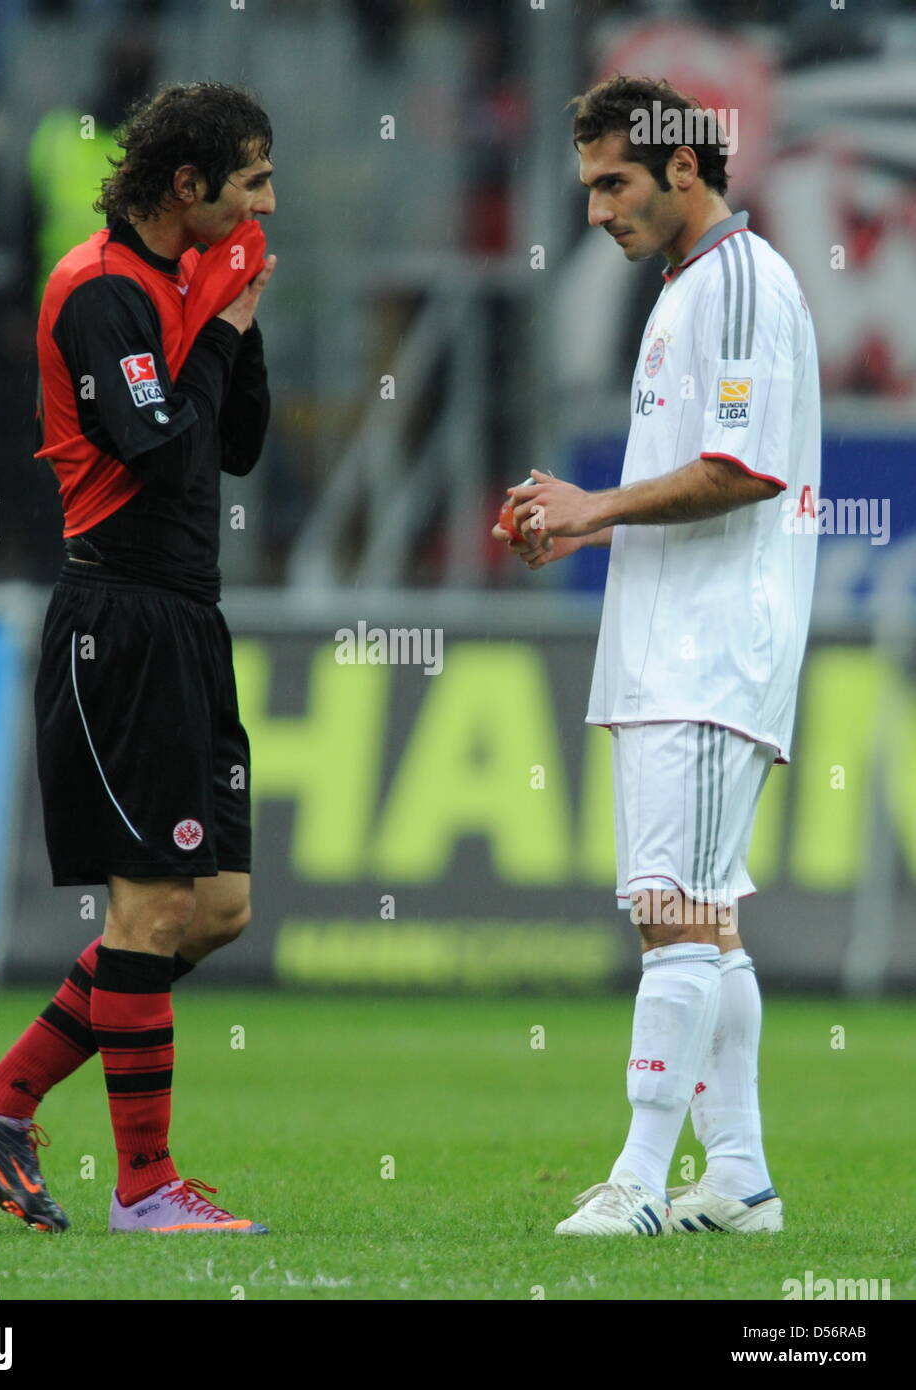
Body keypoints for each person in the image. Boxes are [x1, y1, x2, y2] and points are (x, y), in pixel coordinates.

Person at [0, 82, 278, 1235]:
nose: (268, 201)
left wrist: (239, 320)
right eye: (252, 181)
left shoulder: (185, 281)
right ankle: (145, 1186)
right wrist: (219, 331)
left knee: (213, 907)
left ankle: (2, 1097)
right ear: (190, 187)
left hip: (187, 617)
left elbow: (233, 447)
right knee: (149, 906)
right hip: (118, 618)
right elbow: (161, 452)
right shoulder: (96, 291)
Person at [495, 75, 820, 1236]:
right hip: (672, 643)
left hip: (710, 645)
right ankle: (735, 1175)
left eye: (613, 182)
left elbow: (740, 470)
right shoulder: (690, 287)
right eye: (587, 186)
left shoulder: (737, 280)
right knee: (701, 919)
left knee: (673, 912)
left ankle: (635, 1178)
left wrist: (590, 510)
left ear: (685, 167)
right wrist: (582, 519)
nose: (595, 209)